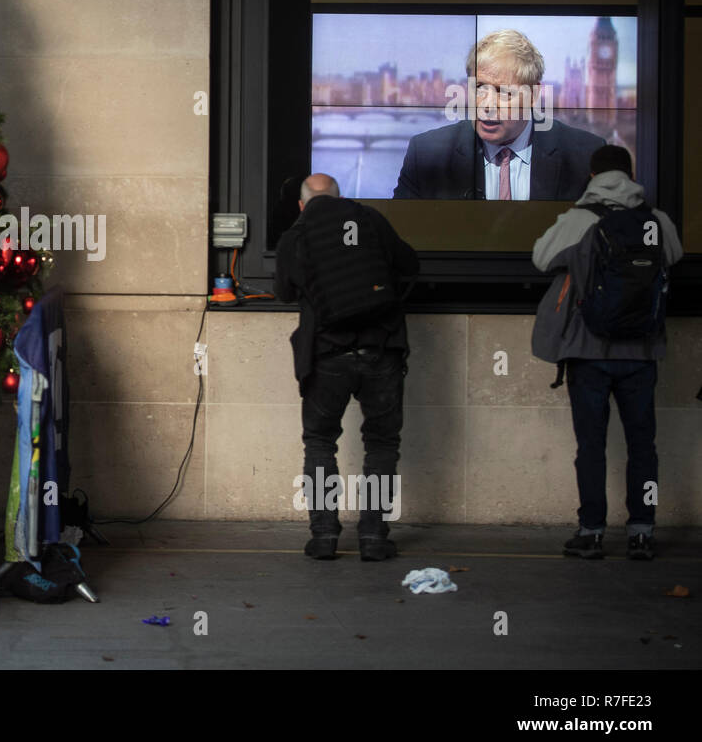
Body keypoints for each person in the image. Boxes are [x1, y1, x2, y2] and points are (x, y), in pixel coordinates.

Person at [531, 146, 682, 560]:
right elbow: (675, 257)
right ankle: (642, 532)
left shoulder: (579, 219)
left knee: (591, 445)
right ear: (631, 173)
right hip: (641, 350)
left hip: (588, 349)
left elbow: (541, 258)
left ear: (591, 174)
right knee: (643, 444)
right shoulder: (657, 221)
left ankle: (592, 531)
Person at [274, 173, 420, 560]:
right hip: (382, 348)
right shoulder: (370, 220)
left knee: (320, 442)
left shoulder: (297, 235)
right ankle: (373, 536)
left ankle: (323, 535)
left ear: (302, 204)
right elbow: (409, 265)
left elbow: (284, 292)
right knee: (382, 444)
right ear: (341, 197)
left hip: (326, 354)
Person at [393, 29, 604, 200]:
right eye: (480, 88)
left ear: (533, 94)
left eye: (503, 92)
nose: (487, 105)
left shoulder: (586, 155)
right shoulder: (426, 154)